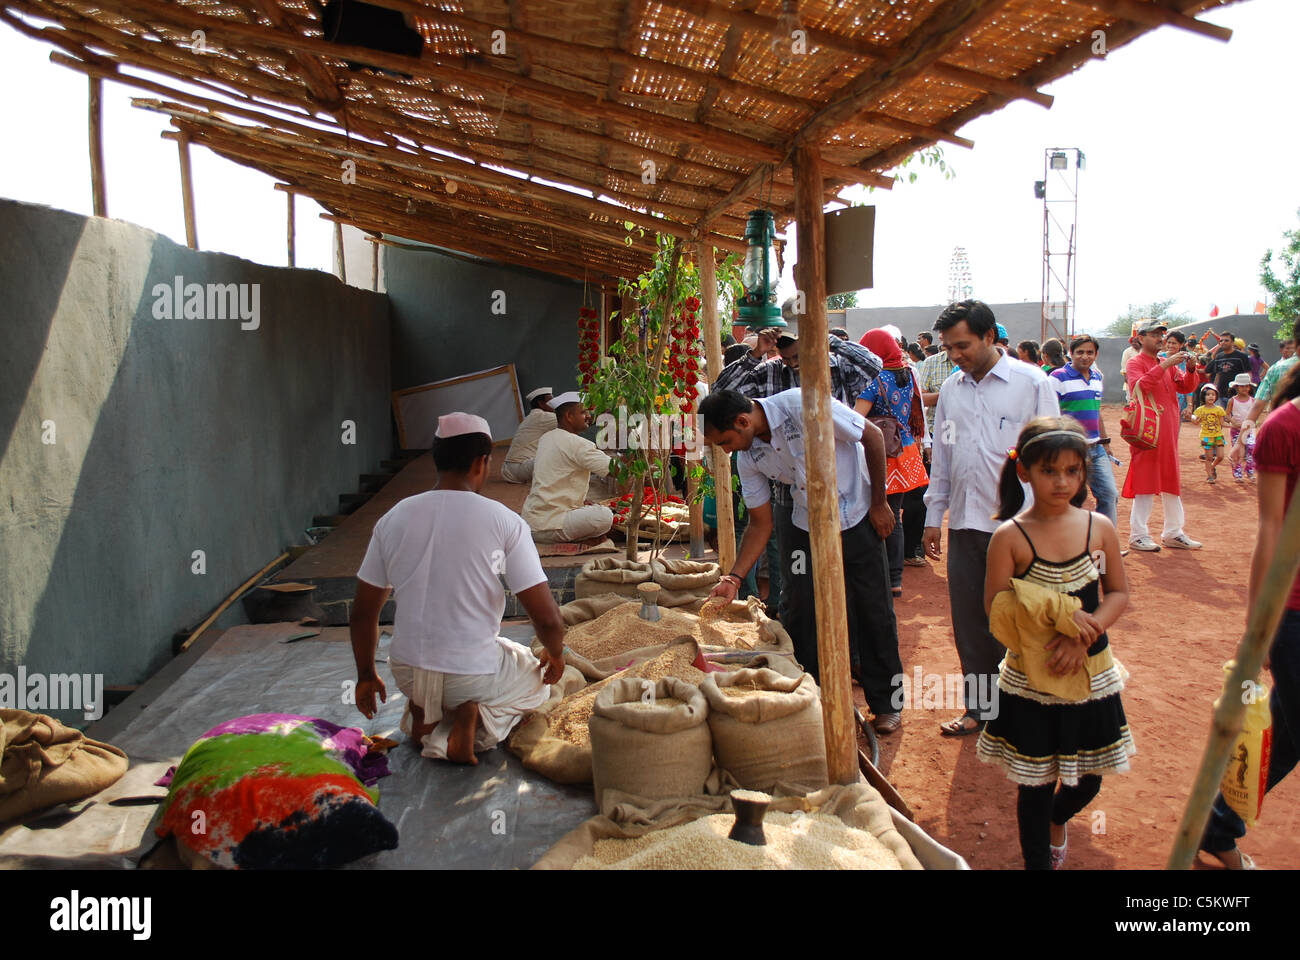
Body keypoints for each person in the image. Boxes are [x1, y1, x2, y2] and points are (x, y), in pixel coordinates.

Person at [350, 413, 567, 765]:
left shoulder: (392, 518)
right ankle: (474, 719)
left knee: (473, 661)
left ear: (438, 460)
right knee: (534, 676)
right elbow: (547, 619)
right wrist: (556, 654)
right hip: (470, 674)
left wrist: (365, 676)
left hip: (406, 671)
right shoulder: (505, 522)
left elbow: (362, 613)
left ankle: (425, 717)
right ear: (482, 463)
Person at [977, 417, 1133, 870]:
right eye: (1049, 471)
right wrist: (1057, 625)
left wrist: (1084, 638)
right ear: (1023, 471)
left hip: (1092, 671)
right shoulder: (1011, 537)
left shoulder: (1098, 527)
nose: (1062, 481)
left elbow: (1117, 594)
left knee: (1087, 781)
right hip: (1032, 677)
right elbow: (996, 608)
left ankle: (1057, 820)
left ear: (1084, 472)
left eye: (1072, 470)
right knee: (1035, 785)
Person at [701, 387, 904, 734]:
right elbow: (760, 523)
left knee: (873, 609)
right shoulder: (748, 457)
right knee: (801, 610)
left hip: (855, 517)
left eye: (725, 441)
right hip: (803, 527)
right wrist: (733, 578)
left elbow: (870, 436)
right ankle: (817, 696)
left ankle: (886, 703)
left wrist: (878, 503)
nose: (726, 450)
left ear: (742, 420)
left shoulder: (802, 404)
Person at [923, 300, 1060, 736]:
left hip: (1023, 529)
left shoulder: (1032, 384)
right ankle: (981, 710)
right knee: (972, 624)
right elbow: (942, 455)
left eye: (962, 345)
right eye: (948, 348)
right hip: (966, 526)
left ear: (988, 337)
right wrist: (934, 513)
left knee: (1030, 621)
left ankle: (1034, 712)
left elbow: (1053, 454)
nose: (955, 355)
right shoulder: (951, 391)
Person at [714, 314, 884, 623]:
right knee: (798, 577)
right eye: (788, 355)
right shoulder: (768, 373)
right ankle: (798, 632)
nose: (794, 362)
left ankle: (857, 657)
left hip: (847, 493)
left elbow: (873, 365)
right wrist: (755, 353)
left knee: (860, 591)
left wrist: (821, 338)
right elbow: (721, 393)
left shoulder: (833, 365)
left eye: (799, 354)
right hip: (791, 493)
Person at [1200, 362, 1300, 869]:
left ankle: (1216, 827)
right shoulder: (1285, 426)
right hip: (1295, 608)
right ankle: (1216, 827)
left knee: (1286, 732)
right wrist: (1257, 627)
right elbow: (1269, 530)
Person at [856, 329, 928, 597]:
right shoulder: (907, 374)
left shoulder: (873, 379)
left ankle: (881, 576)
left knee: (874, 513)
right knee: (894, 516)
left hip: (880, 454)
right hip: (905, 449)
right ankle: (895, 578)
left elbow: (856, 418)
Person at [1121, 320, 1204, 552]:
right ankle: (1138, 534)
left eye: (1162, 335)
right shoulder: (1135, 362)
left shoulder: (1163, 363)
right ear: (1140, 339)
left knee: (1170, 479)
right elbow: (1139, 386)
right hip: (1147, 430)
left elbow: (1186, 387)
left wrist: (1189, 368)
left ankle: (1173, 532)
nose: (1160, 338)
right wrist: (1166, 364)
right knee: (1145, 480)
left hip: (1167, 431)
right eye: (1155, 334)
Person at [521, 391, 616, 542]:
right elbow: (616, 471)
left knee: (590, 503)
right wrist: (635, 455)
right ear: (569, 417)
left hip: (530, 523)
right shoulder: (579, 444)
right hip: (552, 525)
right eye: (583, 412)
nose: (588, 416)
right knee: (605, 516)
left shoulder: (546, 438)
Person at [1050, 335, 1119, 527]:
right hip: (1069, 450)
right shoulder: (1057, 378)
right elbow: (1050, 412)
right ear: (1071, 353)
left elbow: (1097, 412)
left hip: (1096, 449)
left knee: (1109, 495)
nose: (1085, 357)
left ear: (1096, 354)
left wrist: (1105, 443)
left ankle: (1105, 544)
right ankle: (1070, 546)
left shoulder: (1097, 377)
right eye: (1080, 352)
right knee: (1070, 500)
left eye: (1090, 352)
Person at [1229, 336, 1296, 469]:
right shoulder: (1264, 362)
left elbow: (1257, 407)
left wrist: (1240, 442)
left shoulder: (1277, 368)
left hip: (1282, 430)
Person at [501, 387, 556, 483]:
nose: (554, 403)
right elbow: (573, 420)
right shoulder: (541, 417)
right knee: (562, 455)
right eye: (551, 400)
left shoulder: (532, 417)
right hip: (520, 468)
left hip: (511, 469)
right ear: (541, 404)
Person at [1204, 330, 1251, 409]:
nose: (1223, 342)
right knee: (1222, 418)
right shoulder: (1219, 357)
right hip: (1221, 393)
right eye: (1221, 340)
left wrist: (1247, 390)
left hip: (1237, 395)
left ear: (1232, 342)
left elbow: (1248, 373)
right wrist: (1215, 389)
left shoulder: (1241, 356)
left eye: (1226, 340)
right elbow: (1218, 374)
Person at [1191, 384, 1228, 484]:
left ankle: (1211, 467)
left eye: (1213, 394)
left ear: (1216, 396)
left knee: (1220, 456)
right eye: (1208, 394)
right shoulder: (1200, 410)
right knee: (1209, 457)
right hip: (1206, 437)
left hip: (1218, 436)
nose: (1211, 396)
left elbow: (1222, 423)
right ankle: (1210, 476)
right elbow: (1195, 421)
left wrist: (1235, 425)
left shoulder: (1219, 409)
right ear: (1203, 396)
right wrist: (1192, 418)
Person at [1227, 373, 1257, 482]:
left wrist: (1254, 422)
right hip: (1236, 430)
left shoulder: (1253, 401)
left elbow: (1256, 414)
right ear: (1237, 387)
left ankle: (1250, 471)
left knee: (1251, 448)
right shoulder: (1232, 400)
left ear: (1249, 387)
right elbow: (1227, 415)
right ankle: (1237, 473)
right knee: (1238, 451)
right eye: (1242, 386)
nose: (1244, 388)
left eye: (1246, 386)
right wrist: (1233, 421)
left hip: (1249, 430)